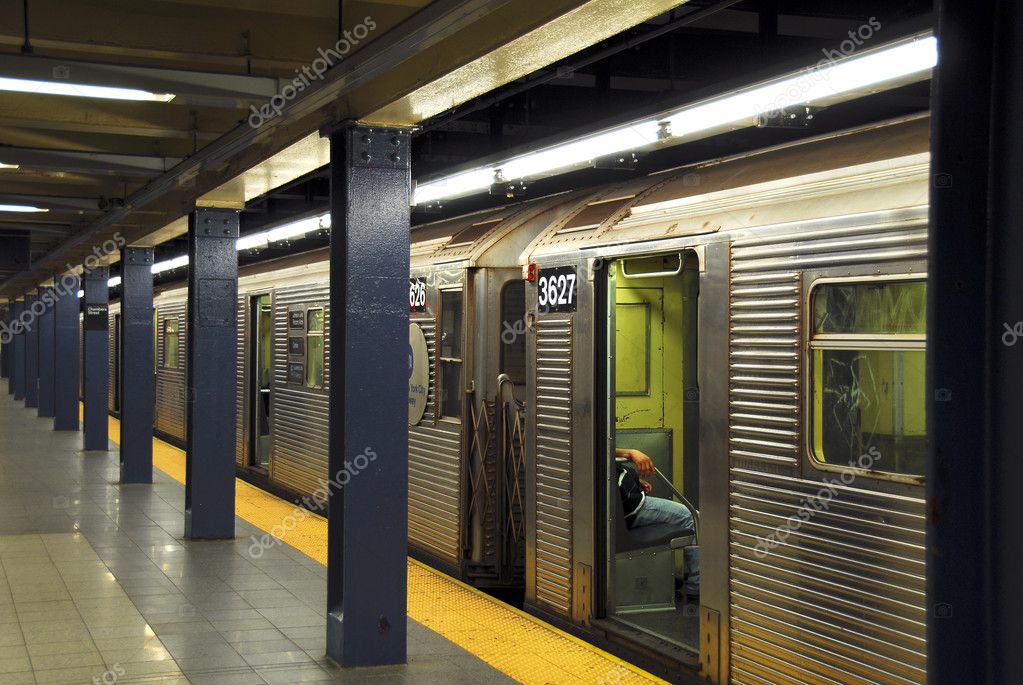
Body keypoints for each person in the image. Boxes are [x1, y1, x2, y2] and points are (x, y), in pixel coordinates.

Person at [616, 447, 700, 601]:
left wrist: (635, 480)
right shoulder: (592, 448)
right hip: (635, 507)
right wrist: (631, 452)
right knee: (692, 517)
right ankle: (697, 586)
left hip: (630, 502)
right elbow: (604, 450)